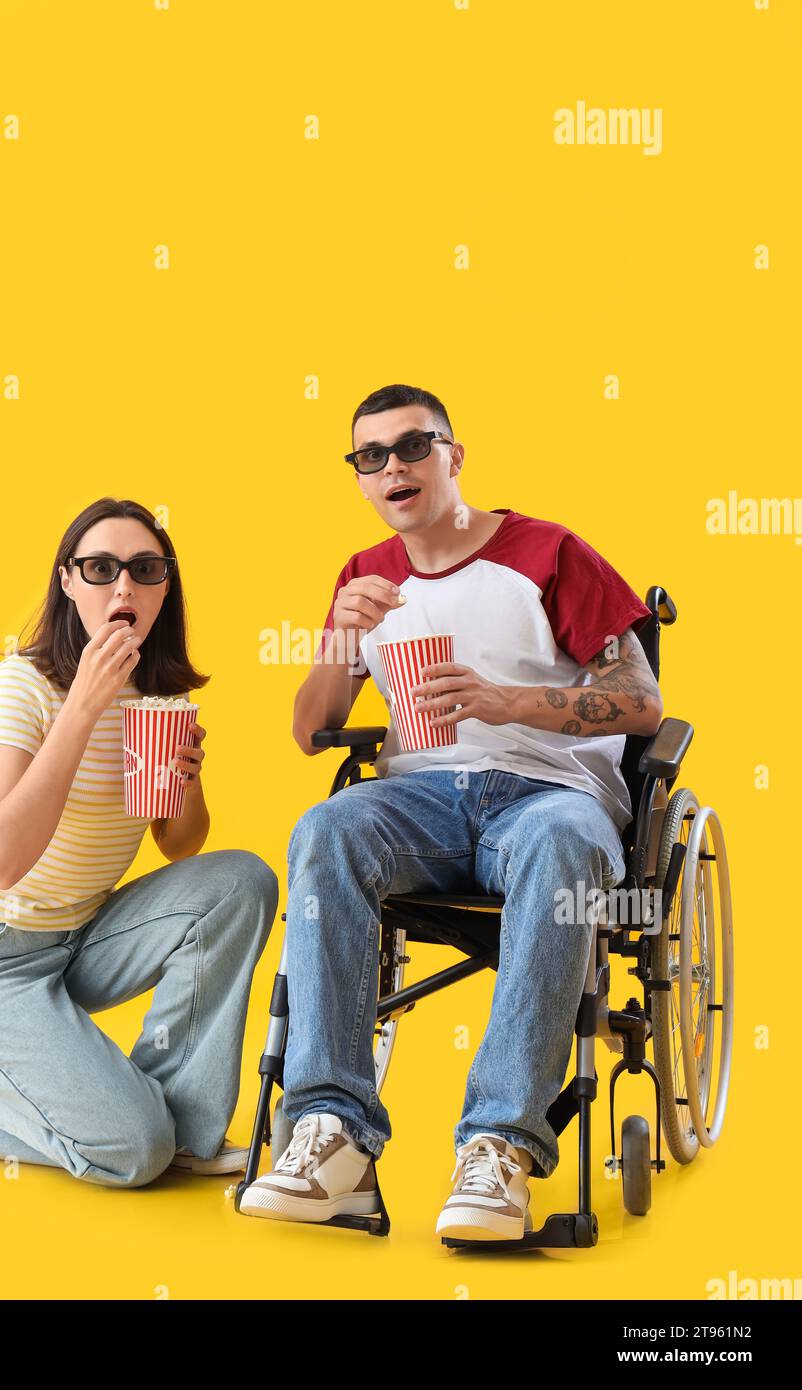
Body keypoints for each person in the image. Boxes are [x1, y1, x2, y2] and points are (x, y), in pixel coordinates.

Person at [240, 384, 663, 1239]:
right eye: (371, 457)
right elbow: (311, 731)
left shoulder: (546, 552)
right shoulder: (364, 576)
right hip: (420, 798)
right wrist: (336, 642)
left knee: (559, 845)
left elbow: (643, 703)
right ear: (359, 477)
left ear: (453, 455)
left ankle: (500, 1145)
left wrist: (510, 703)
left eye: (412, 447)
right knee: (327, 826)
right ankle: (333, 1133)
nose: (393, 467)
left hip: (551, 794)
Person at [0, 496, 278, 1187]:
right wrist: (84, 707)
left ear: (164, 587)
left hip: (80, 936)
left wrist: (187, 778)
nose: (123, 586)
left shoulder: (154, 695)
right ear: (68, 581)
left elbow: (181, 846)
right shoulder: (25, 683)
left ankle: (183, 1124)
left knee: (243, 879)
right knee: (129, 1153)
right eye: (100, 568)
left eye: (144, 569)